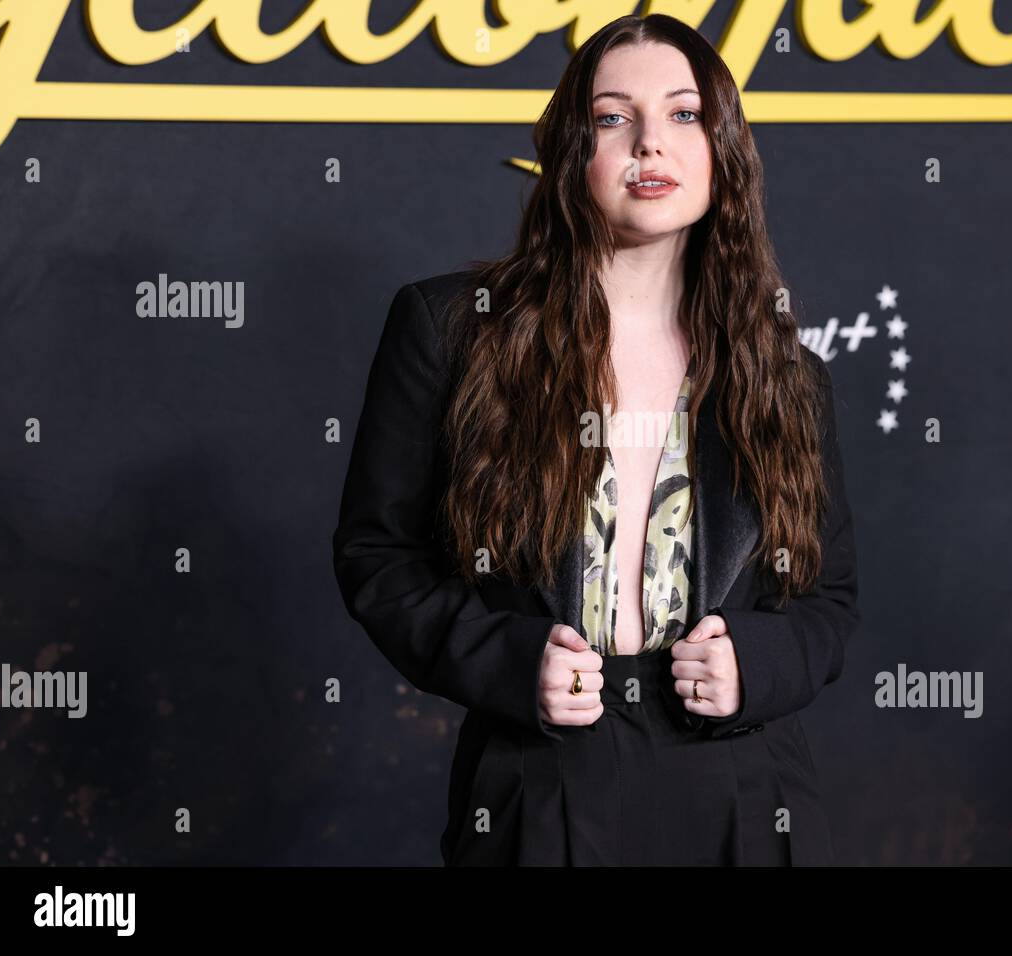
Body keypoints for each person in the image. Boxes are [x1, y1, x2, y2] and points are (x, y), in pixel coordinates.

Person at [332, 13, 861, 866]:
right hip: (540, 778)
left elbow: (828, 598)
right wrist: (506, 661)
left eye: (684, 115)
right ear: (573, 152)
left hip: (744, 790)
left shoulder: (788, 372)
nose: (651, 144)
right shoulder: (450, 330)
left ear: (724, 150)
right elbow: (377, 555)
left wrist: (755, 666)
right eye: (615, 118)